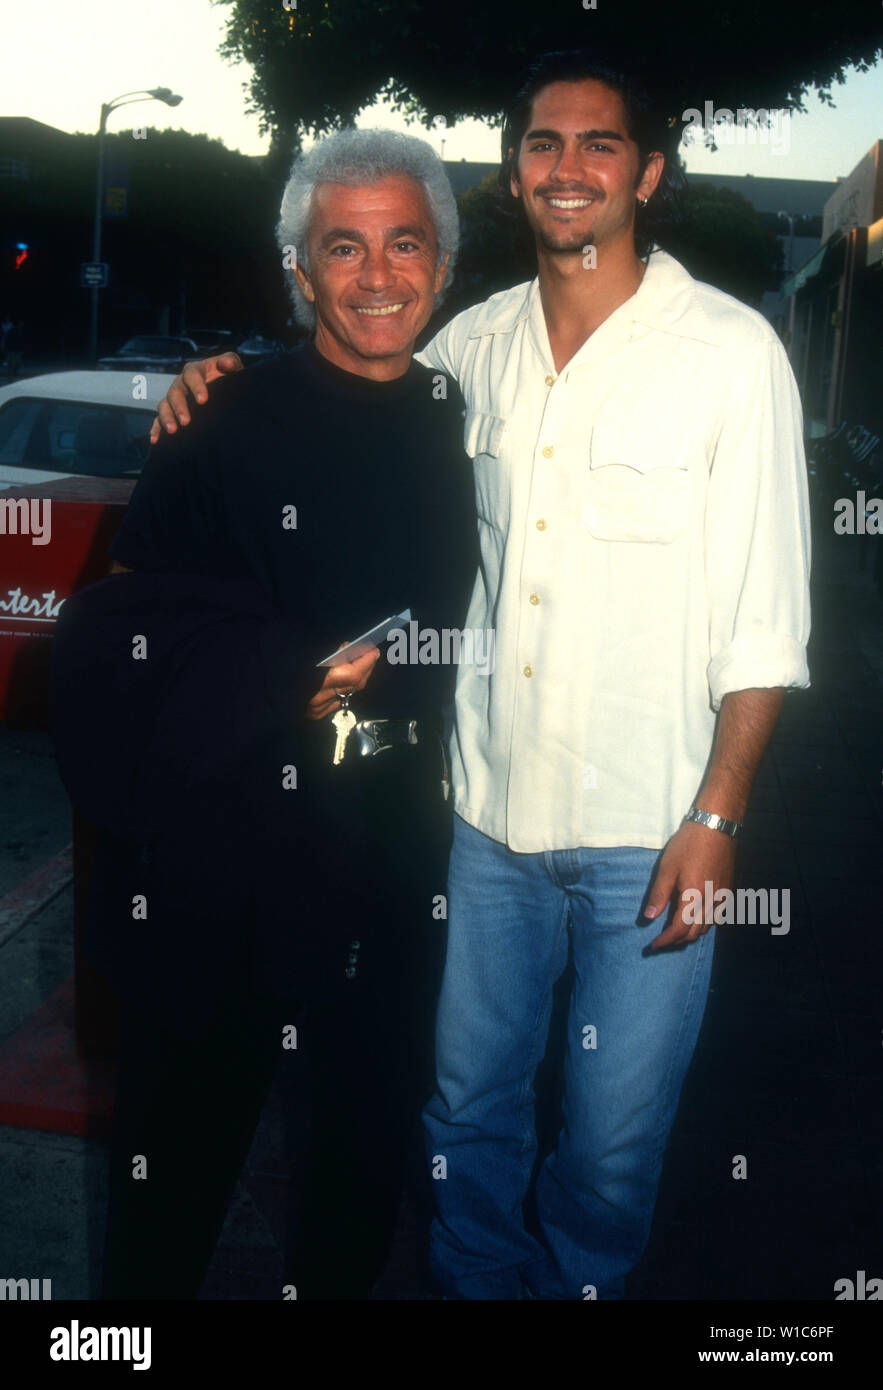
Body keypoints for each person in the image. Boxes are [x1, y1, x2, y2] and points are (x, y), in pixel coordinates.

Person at [151, 49, 811, 1301]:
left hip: (653, 827)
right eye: (545, 146)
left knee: (611, 1150)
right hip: (481, 822)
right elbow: (354, 359)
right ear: (516, 174)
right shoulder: (476, 345)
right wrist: (220, 374)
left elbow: (768, 620)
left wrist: (718, 816)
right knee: (463, 1124)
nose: (569, 170)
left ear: (647, 173)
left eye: (599, 146)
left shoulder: (733, 357)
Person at [51, 128, 478, 1300]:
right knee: (171, 1178)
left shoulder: (469, 419)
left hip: (397, 857)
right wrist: (283, 667)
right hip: (223, 861)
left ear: (444, 265)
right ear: (299, 268)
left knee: (360, 1170)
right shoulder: (221, 420)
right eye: (345, 246)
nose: (379, 274)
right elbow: (110, 650)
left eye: (406, 243)